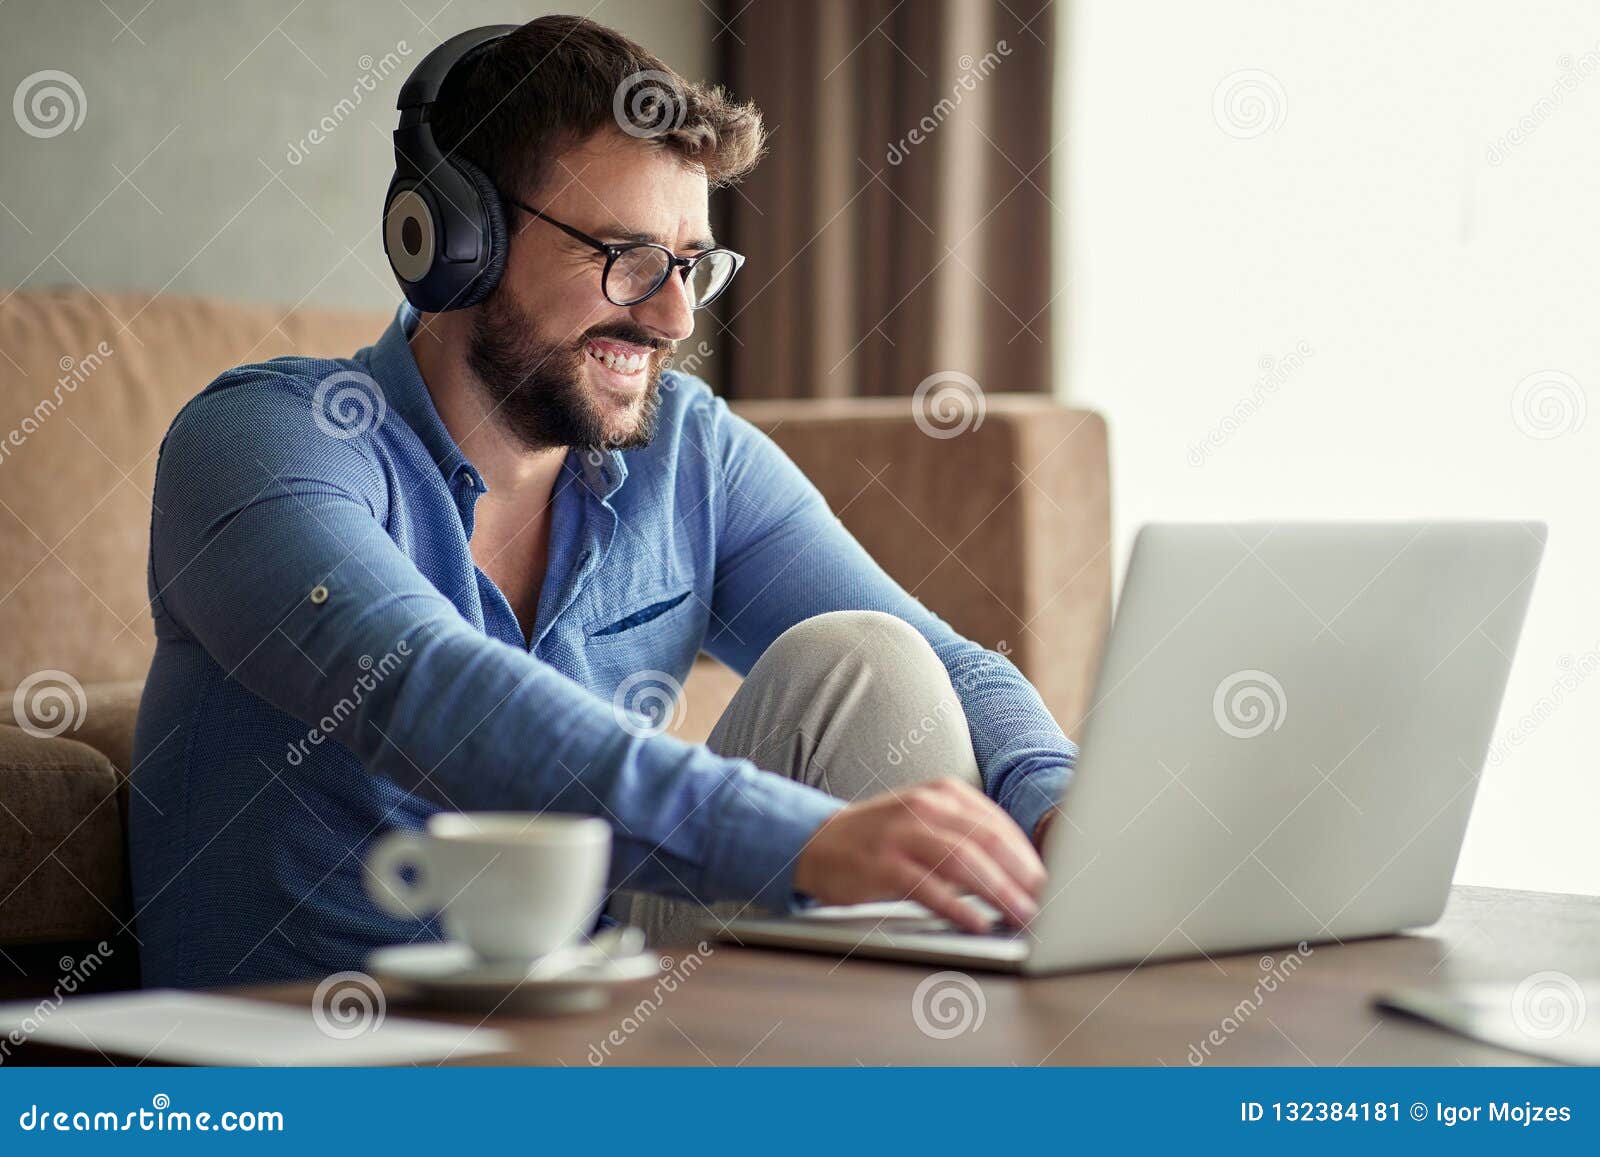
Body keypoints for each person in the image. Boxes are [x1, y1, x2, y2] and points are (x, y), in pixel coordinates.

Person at [128, 14, 1074, 988]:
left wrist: (1065, 802)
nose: (670, 316)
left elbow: (954, 662)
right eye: (623, 255)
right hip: (305, 1058)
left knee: (870, 664)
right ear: (457, 241)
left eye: (690, 265)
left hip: (581, 1024)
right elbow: (428, 691)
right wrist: (803, 840)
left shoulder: (686, 449)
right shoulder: (261, 441)